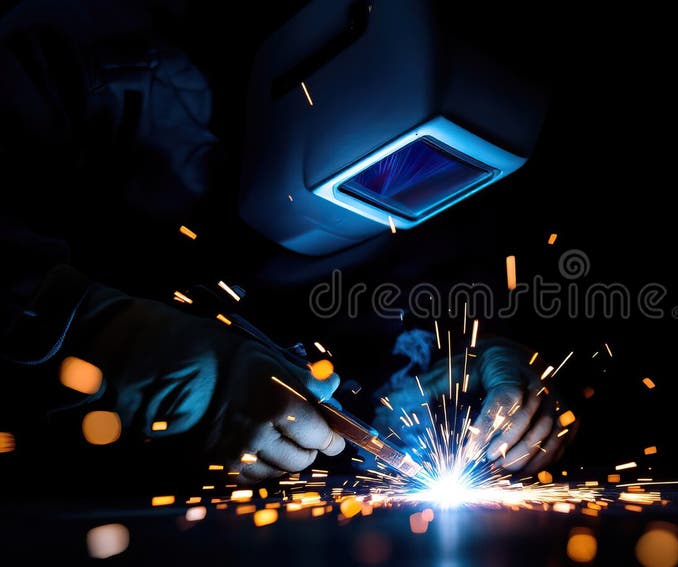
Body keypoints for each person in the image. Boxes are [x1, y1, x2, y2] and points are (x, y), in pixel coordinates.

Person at [0, 0, 569, 488]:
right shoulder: (82, 60)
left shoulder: (456, 202)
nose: (402, 193)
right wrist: (101, 336)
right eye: (395, 167)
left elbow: (401, 329)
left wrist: (448, 380)